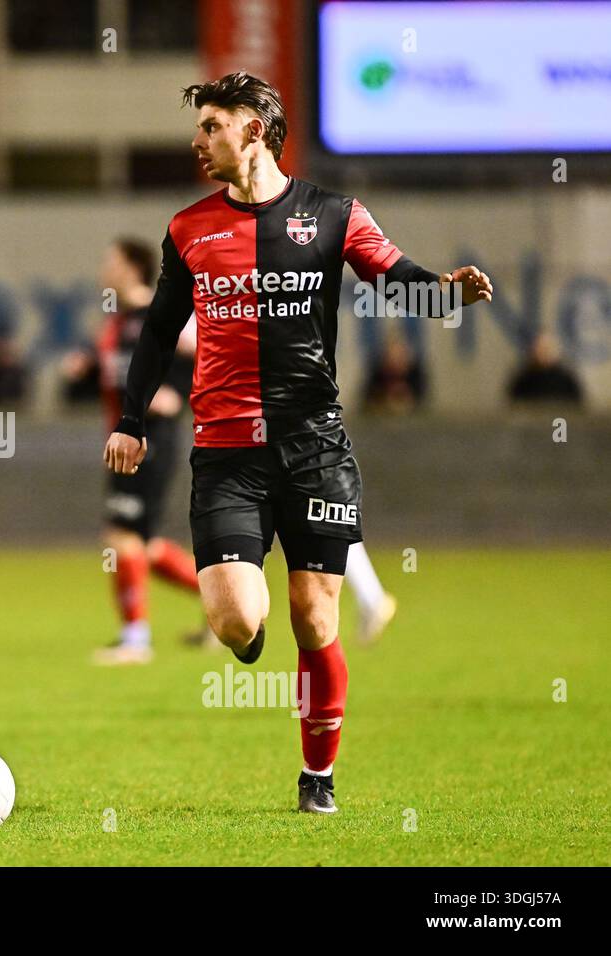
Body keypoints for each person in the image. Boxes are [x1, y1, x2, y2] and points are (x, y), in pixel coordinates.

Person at [102, 72, 492, 813]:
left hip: (315, 448)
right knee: (236, 621)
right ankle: (244, 637)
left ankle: (318, 778)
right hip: (225, 454)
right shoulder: (189, 228)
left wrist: (446, 293)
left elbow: (395, 280)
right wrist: (130, 420)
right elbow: (157, 332)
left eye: (212, 126)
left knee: (314, 619)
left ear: (254, 129)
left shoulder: (335, 214)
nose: (198, 140)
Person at [70, 238, 203, 665]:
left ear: (132, 268)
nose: (104, 269)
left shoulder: (161, 314)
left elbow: (203, 353)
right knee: (142, 544)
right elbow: (116, 378)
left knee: (123, 538)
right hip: (124, 439)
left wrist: (178, 393)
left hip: (151, 439)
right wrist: (84, 370)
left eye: (112, 261)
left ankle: (135, 639)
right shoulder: (117, 322)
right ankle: (233, 599)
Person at [507, 331, 583, 406]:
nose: (545, 352)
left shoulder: (567, 380)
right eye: (541, 348)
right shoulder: (523, 380)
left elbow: (576, 409)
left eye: (548, 348)